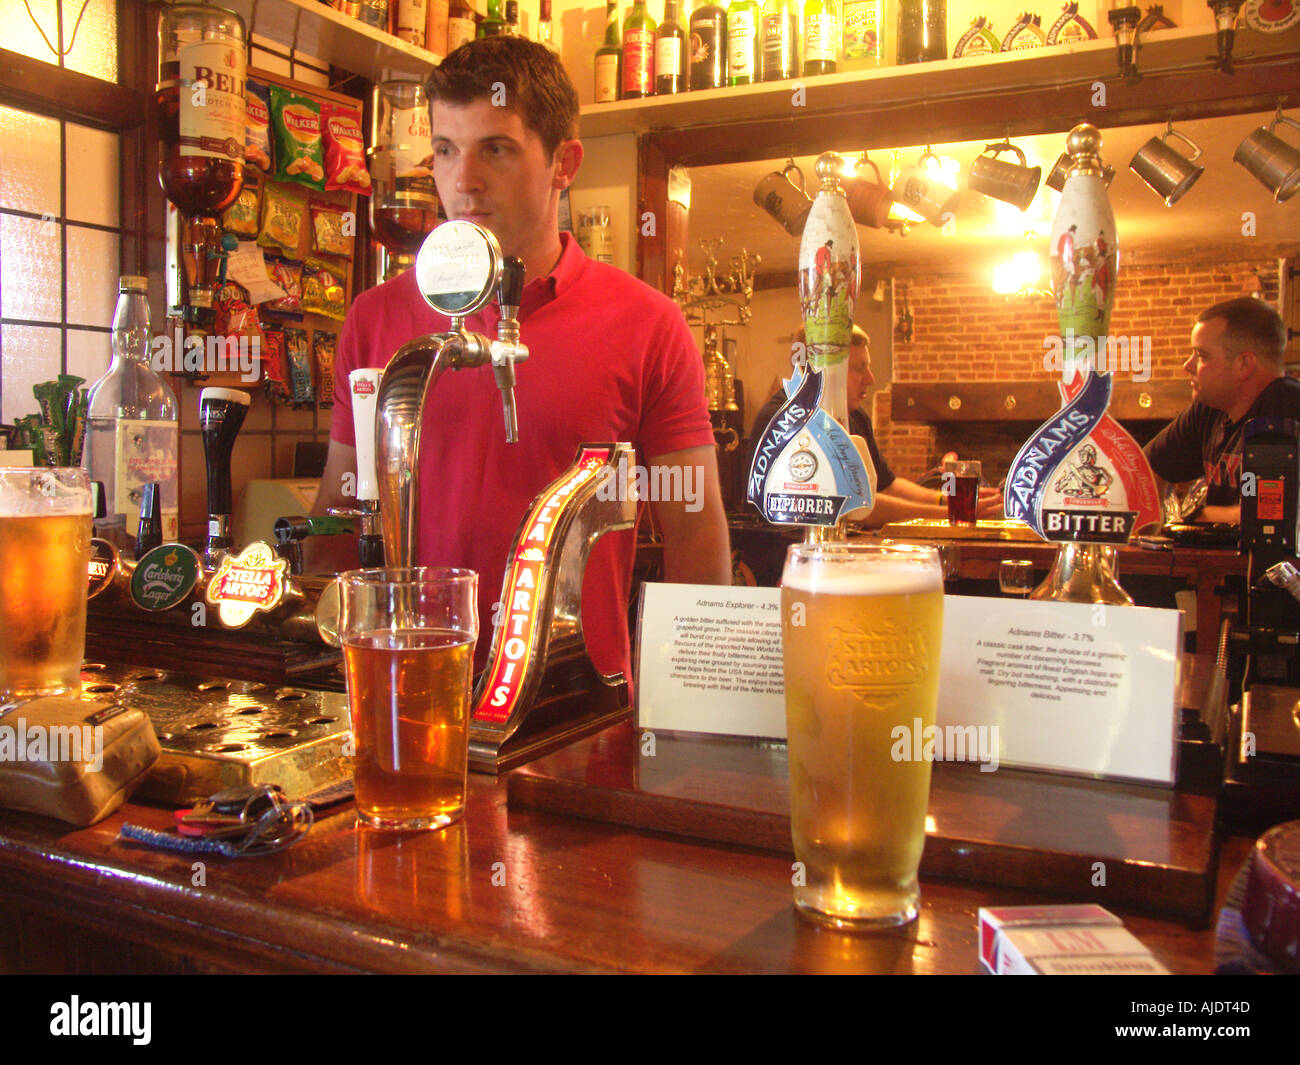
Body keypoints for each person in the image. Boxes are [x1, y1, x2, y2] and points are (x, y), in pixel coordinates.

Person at [309, 36, 731, 684]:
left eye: (495, 149)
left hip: (573, 718)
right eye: (445, 150)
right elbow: (339, 515)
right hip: (405, 705)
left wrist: (693, 710)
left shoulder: (648, 324)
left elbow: (695, 533)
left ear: (565, 162)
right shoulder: (375, 318)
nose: (462, 180)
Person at [742, 326, 1001, 525]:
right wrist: (948, 515)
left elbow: (887, 485)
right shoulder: (787, 419)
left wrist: (947, 499)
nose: (870, 379)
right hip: (786, 563)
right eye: (859, 368)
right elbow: (855, 506)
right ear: (824, 370)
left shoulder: (855, 415)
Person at [1144, 297, 1297, 525]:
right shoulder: (1209, 409)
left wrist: (1194, 516)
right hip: (1220, 560)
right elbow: (1143, 470)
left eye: (1202, 355)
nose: (1188, 365)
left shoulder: (1288, 409)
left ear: (1244, 364)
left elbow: (1272, 516)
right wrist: (1152, 534)